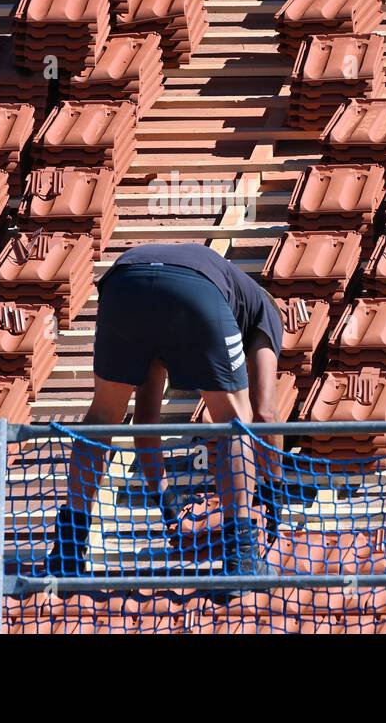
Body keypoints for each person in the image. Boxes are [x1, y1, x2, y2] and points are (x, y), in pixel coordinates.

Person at [46, 243, 285, 578]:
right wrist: (274, 492)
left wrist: (164, 496)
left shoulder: (224, 294)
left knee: (101, 417)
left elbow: (145, 422)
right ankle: (242, 555)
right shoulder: (267, 314)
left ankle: (67, 550)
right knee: (236, 423)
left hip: (124, 282)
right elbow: (265, 415)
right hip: (193, 288)